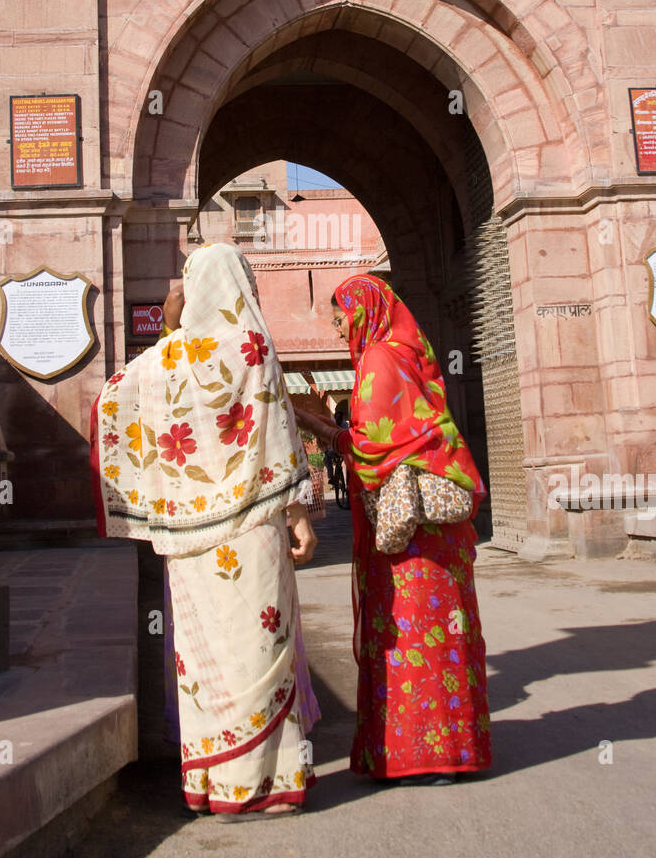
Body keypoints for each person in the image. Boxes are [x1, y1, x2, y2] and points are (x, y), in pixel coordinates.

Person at [91, 242, 319, 818]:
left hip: (190, 542)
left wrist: (169, 333)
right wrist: (299, 517)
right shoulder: (252, 346)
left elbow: (110, 402)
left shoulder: (167, 362)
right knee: (261, 646)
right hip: (255, 531)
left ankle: (219, 786)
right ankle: (270, 785)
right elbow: (277, 435)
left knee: (208, 652)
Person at [300, 274, 492, 785]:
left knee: (411, 636)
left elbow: (374, 447)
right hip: (436, 530)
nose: (338, 324)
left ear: (364, 310)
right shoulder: (408, 354)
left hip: (408, 533)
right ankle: (452, 750)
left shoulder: (380, 360)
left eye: (341, 313)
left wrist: (326, 432)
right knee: (444, 635)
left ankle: (419, 756)